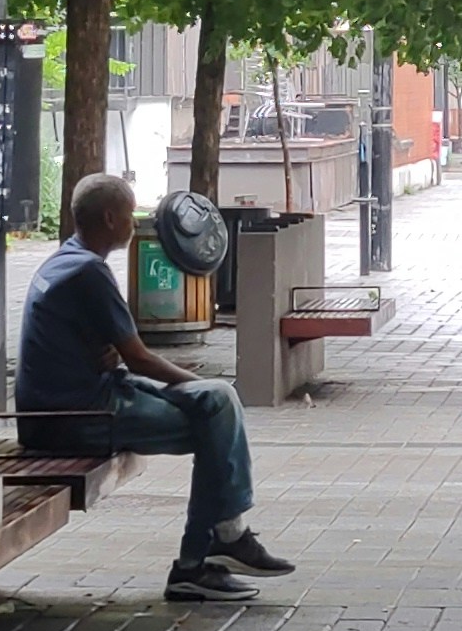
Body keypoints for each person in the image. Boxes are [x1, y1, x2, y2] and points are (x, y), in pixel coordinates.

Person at [23, 170, 290, 604]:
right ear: (110, 218)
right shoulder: (89, 273)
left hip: (73, 402)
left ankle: (211, 550)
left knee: (217, 408)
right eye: (131, 214)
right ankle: (211, 549)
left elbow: (102, 344)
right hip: (78, 416)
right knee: (218, 411)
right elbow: (140, 357)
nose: (135, 222)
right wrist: (199, 380)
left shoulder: (63, 260)